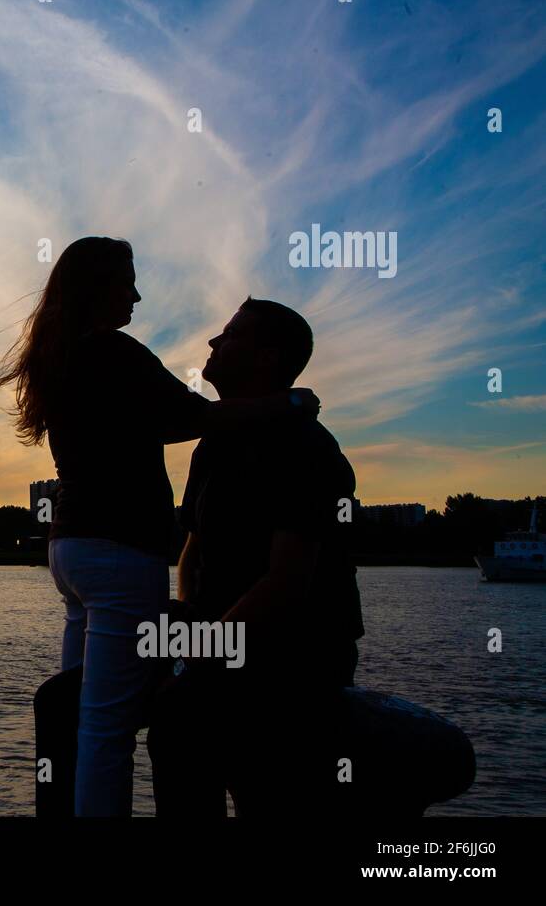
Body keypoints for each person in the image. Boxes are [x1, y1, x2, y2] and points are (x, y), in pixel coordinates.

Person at [0, 238, 318, 816]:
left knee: (77, 705)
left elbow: (164, 426)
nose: (137, 294)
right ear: (97, 288)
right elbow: (195, 416)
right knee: (106, 726)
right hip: (120, 552)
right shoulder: (112, 352)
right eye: (127, 281)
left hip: (71, 549)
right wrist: (288, 404)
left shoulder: (65, 358)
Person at [148, 297, 364, 816]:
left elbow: (287, 585)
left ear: (268, 358)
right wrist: (191, 628)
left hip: (292, 659)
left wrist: (202, 653)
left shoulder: (305, 448)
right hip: (225, 646)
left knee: (247, 775)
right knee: (169, 729)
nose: (213, 343)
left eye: (231, 334)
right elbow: (191, 556)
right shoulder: (215, 443)